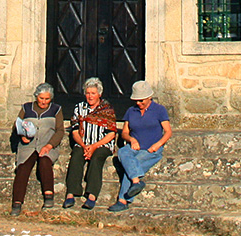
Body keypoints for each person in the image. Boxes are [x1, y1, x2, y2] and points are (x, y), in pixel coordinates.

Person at [109, 80, 171, 212]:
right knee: (122, 153)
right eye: (136, 100)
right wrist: (132, 140)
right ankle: (136, 182)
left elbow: (168, 131)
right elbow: (124, 132)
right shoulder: (131, 111)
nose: (138, 103)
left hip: (150, 150)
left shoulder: (159, 110)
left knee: (130, 167)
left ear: (149, 97)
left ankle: (123, 200)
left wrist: (157, 144)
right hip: (135, 147)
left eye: (141, 100)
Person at [63, 77, 117, 210]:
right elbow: (75, 131)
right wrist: (84, 146)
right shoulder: (79, 108)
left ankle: (91, 195)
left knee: (97, 157)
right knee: (76, 156)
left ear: (99, 94)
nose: (90, 96)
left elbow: (111, 133)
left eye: (93, 93)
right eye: (88, 93)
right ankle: (71, 192)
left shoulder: (107, 109)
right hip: (83, 143)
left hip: (101, 144)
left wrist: (93, 146)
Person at [11, 82, 64, 216]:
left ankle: (48, 195)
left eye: (47, 99)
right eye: (41, 98)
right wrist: (22, 135)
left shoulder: (56, 109)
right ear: (36, 97)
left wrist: (49, 145)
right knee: (23, 167)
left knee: (45, 162)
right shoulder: (26, 108)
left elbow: (59, 131)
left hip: (47, 144)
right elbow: (17, 125)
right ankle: (17, 203)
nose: (44, 102)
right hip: (28, 146)